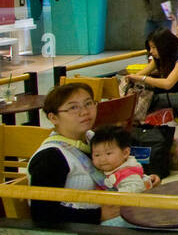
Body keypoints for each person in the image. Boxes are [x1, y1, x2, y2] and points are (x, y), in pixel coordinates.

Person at [28, 84, 156, 226]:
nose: (84, 112)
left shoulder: (92, 138)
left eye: (88, 104)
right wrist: (98, 215)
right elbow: (42, 214)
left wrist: (144, 179)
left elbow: (116, 168)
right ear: (53, 118)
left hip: (112, 216)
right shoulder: (50, 157)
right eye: (73, 107)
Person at [90, 125, 147, 194]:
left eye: (108, 153)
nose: (102, 159)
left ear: (125, 153)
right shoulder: (110, 169)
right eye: (97, 155)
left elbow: (136, 188)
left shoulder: (128, 173)